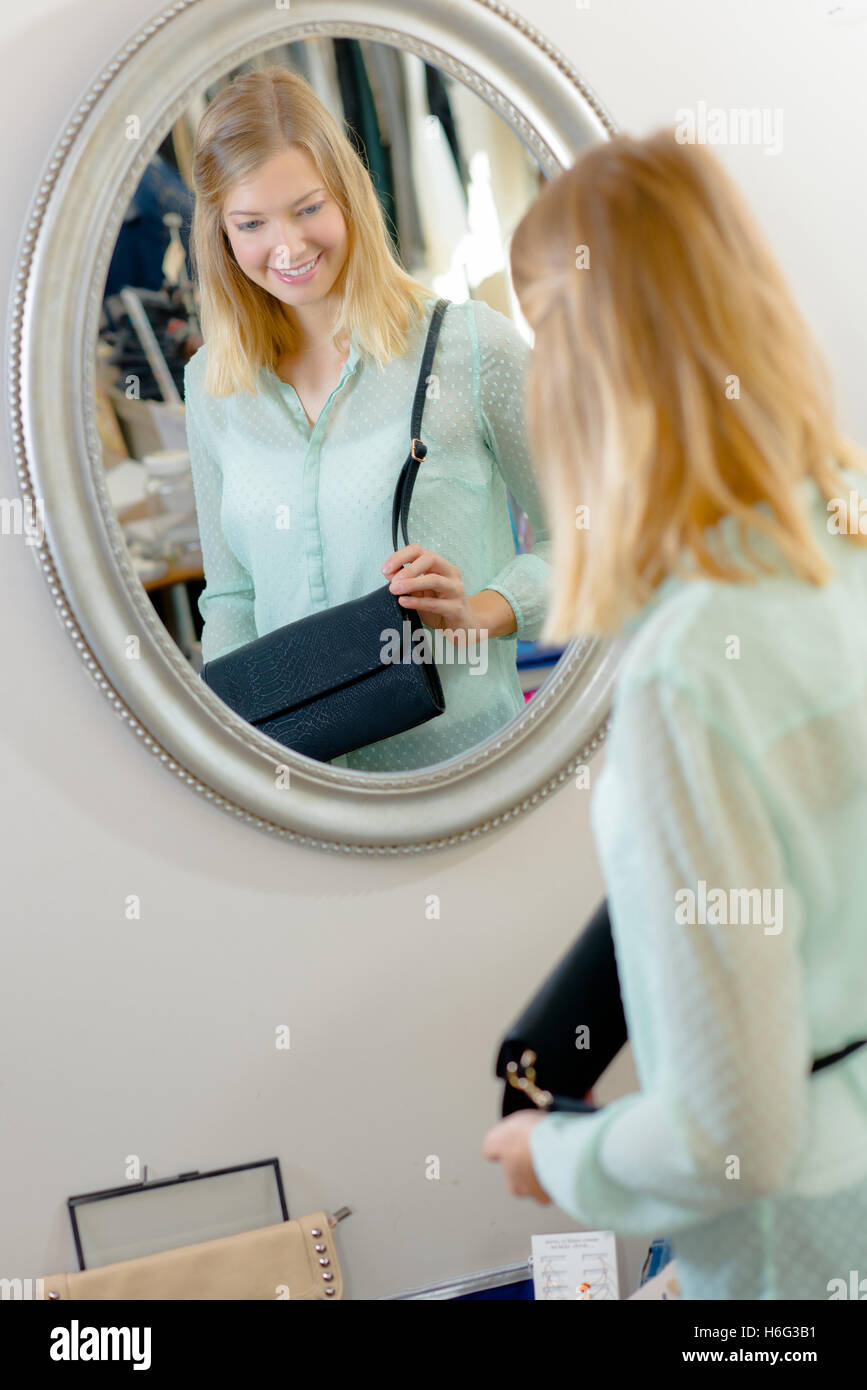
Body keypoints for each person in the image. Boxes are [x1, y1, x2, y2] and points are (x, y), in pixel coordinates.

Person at [482, 129, 867, 1301]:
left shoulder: (688, 675)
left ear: (587, 370)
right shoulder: (846, 562)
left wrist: (558, 1155)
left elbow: (726, 1130)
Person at [182, 64, 551, 771]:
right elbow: (231, 600)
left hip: (467, 777)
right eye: (251, 223)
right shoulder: (212, 384)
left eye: (307, 208)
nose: (285, 248)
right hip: (303, 794)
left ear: (348, 194)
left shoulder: (471, 346)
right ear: (220, 234)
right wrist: (241, 752)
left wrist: (482, 609)